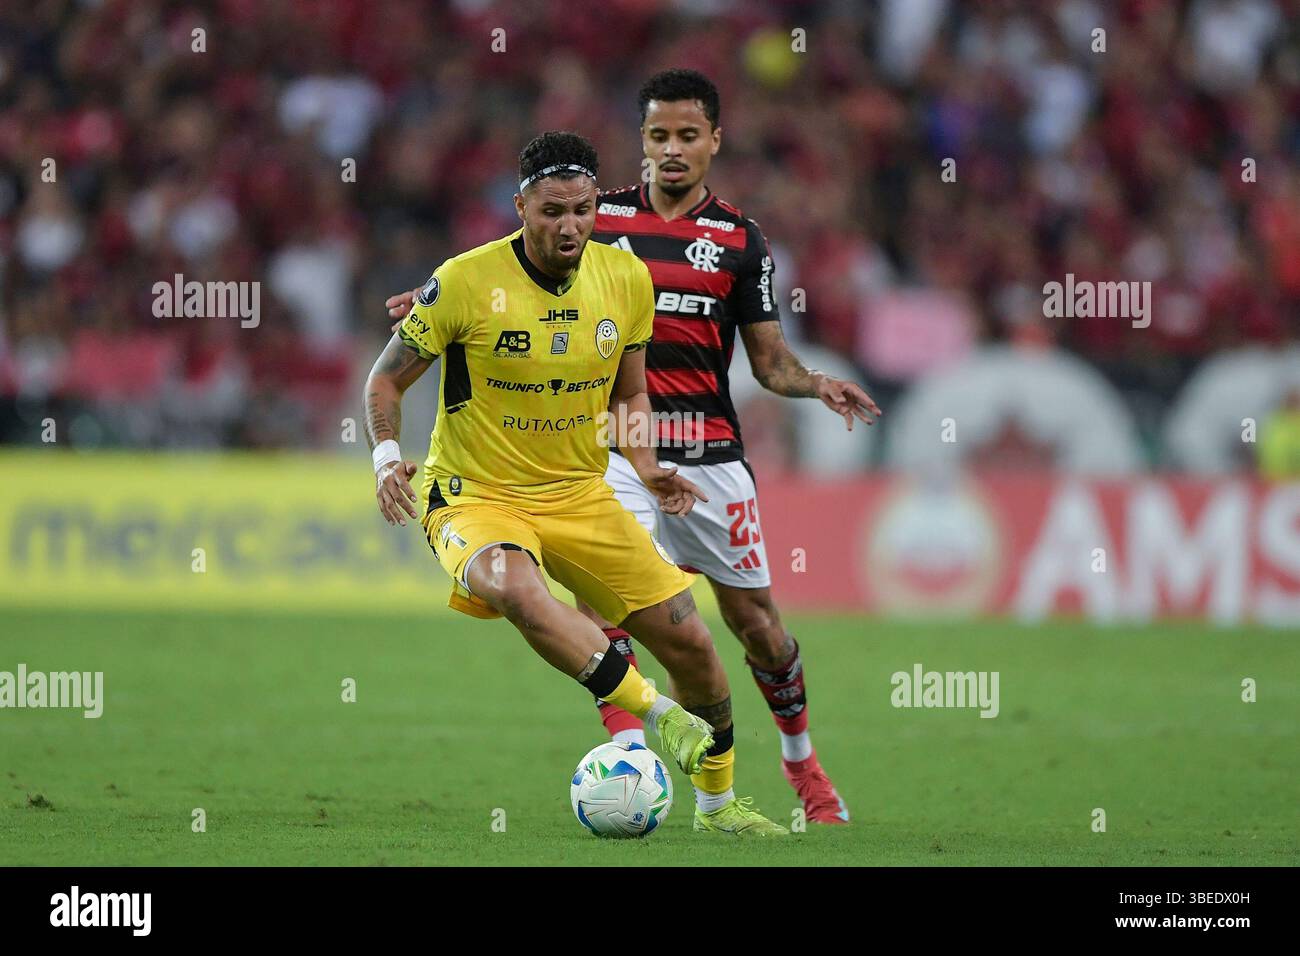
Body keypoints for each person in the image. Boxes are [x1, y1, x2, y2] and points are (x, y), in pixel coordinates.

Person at [388, 72, 881, 824]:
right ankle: (638, 757)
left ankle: (800, 767)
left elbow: (768, 363)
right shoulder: (598, 212)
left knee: (756, 630)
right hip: (604, 453)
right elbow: (504, 265)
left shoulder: (740, 240)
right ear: (641, 143)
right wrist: (433, 303)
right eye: (658, 136)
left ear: (716, 140)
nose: (672, 150)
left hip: (708, 453)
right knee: (602, 613)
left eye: (689, 136)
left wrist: (815, 384)